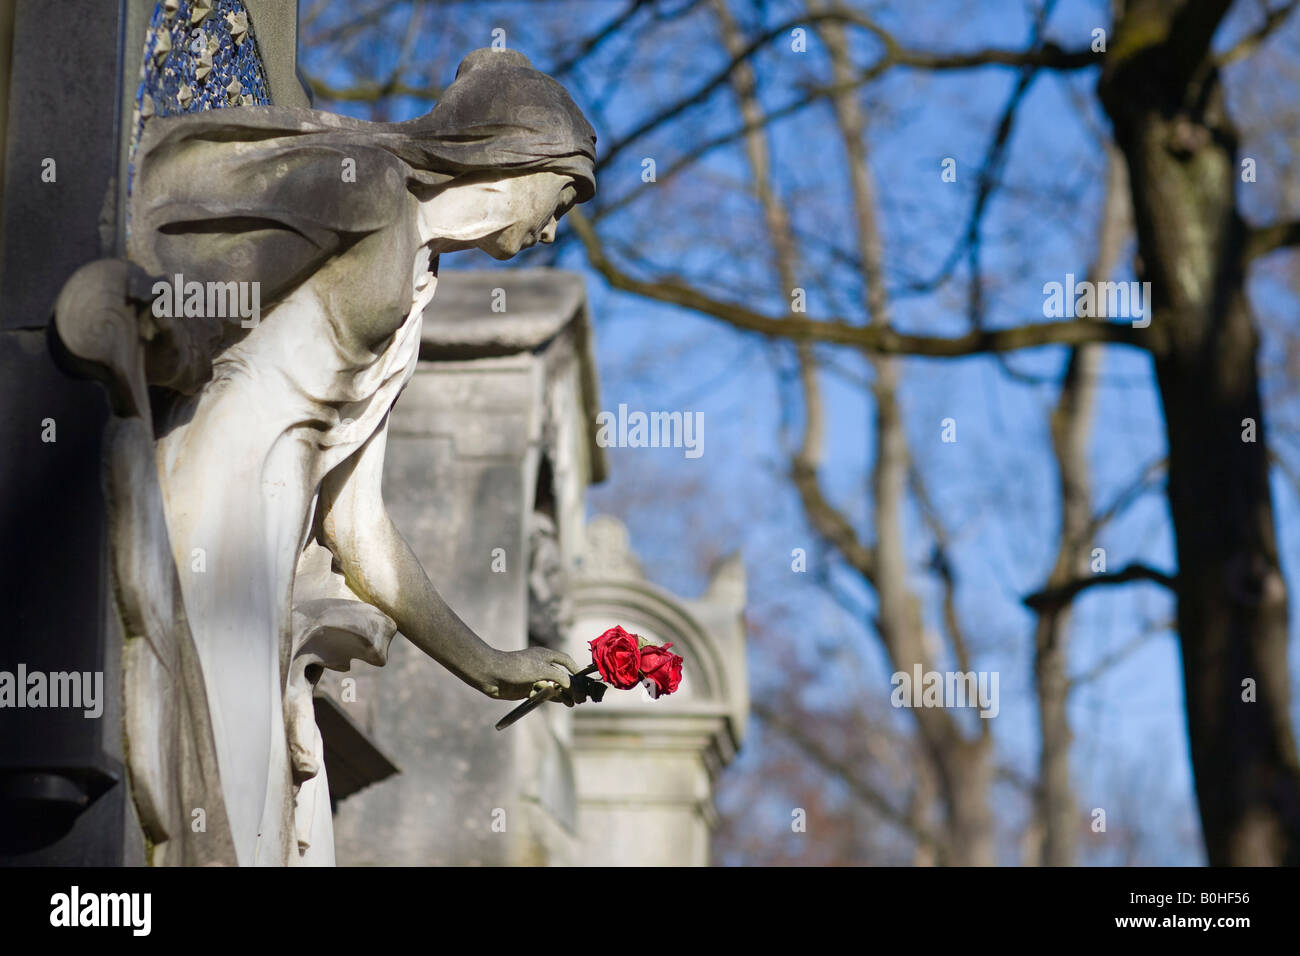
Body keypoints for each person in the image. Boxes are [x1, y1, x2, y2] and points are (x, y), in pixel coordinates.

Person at [127, 48, 594, 864]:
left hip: (282, 515)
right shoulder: (368, 183)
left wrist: (486, 663)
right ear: (517, 156)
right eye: (562, 195)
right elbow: (212, 291)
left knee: (256, 800)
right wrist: (155, 335)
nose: (556, 226)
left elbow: (362, 529)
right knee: (210, 774)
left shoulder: (420, 281)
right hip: (227, 475)